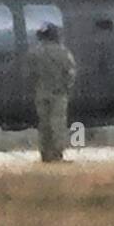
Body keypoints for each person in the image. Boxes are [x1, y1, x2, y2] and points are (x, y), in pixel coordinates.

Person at [28, 22, 77, 162]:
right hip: (58, 93)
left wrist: (35, 87)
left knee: (43, 124)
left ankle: (45, 154)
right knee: (58, 124)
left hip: (40, 93)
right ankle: (57, 155)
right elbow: (71, 73)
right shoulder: (62, 52)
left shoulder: (34, 52)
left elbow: (29, 74)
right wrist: (66, 88)